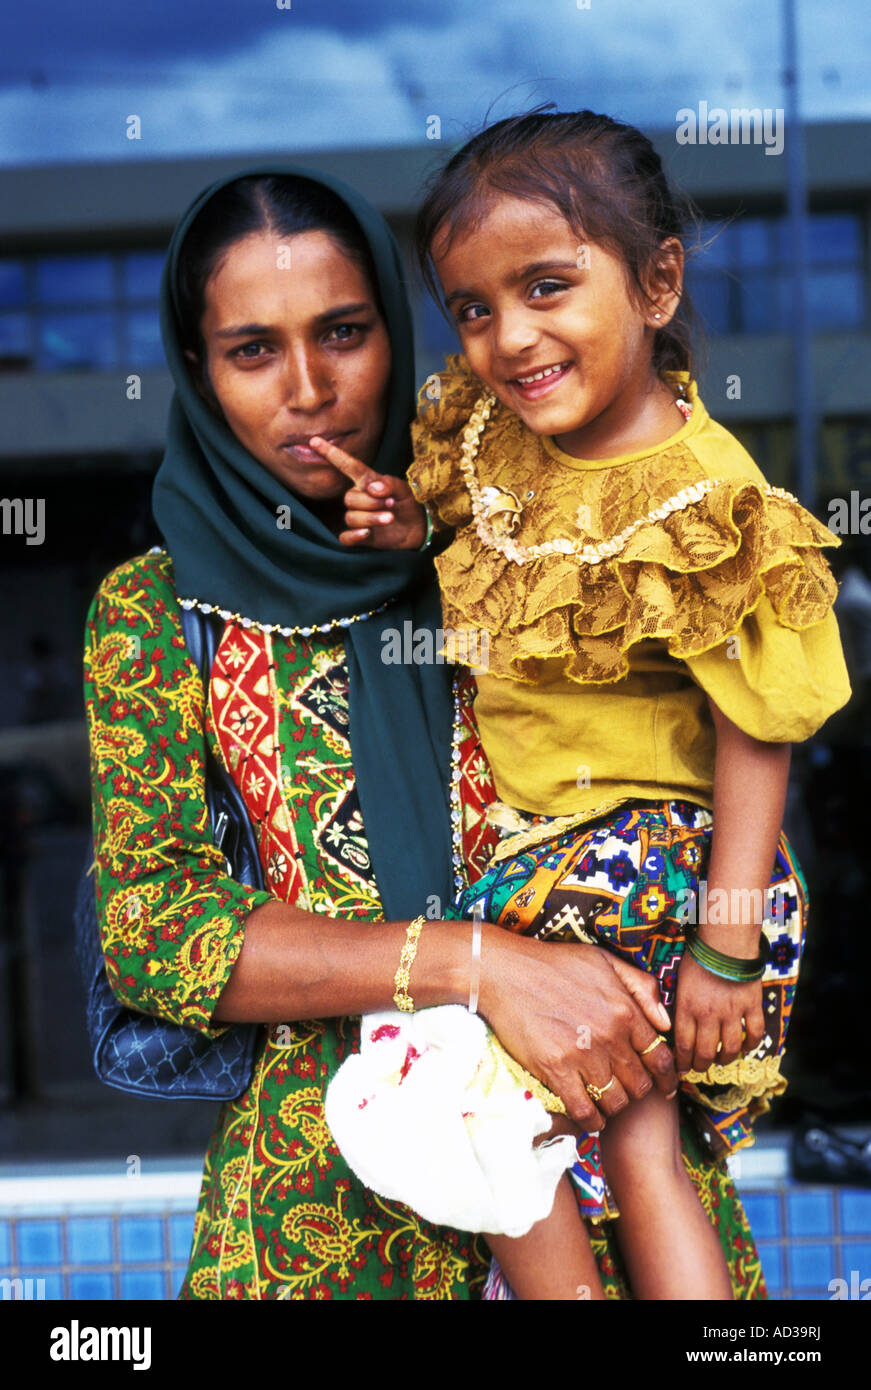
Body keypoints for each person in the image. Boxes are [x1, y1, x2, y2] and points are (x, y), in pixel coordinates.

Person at [85, 159, 768, 1301]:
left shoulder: (511, 543)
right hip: (324, 1222)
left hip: (610, 1169)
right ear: (198, 370)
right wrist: (479, 966)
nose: (308, 386)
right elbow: (158, 929)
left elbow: (720, 728)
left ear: (398, 336)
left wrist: (728, 935)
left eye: (343, 331)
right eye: (253, 349)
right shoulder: (156, 612)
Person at [309, 111, 852, 1300]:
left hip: (648, 865)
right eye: (473, 306)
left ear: (657, 282)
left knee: (468, 1104)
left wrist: (725, 939)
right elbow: (472, 537)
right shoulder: (503, 451)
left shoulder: (701, 495)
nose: (511, 335)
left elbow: (757, 726)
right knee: (632, 1139)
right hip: (572, 864)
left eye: (548, 286)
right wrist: (411, 525)